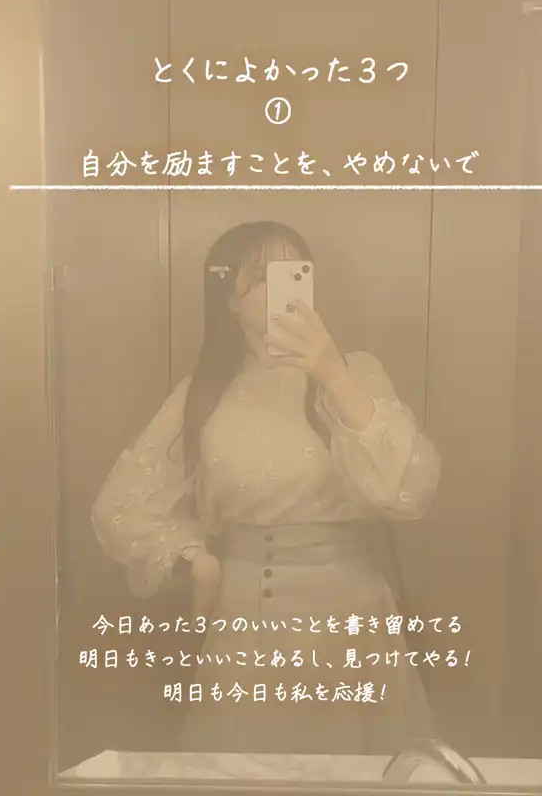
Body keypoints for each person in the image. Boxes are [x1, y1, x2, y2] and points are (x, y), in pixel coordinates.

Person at [91, 220, 442, 755]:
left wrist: (332, 374)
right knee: (243, 768)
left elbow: (411, 489)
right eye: (261, 278)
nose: (282, 288)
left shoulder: (355, 372)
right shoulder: (205, 392)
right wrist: (193, 559)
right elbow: (119, 505)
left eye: (293, 272)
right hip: (243, 619)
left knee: (357, 771)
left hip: (351, 615)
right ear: (229, 301)